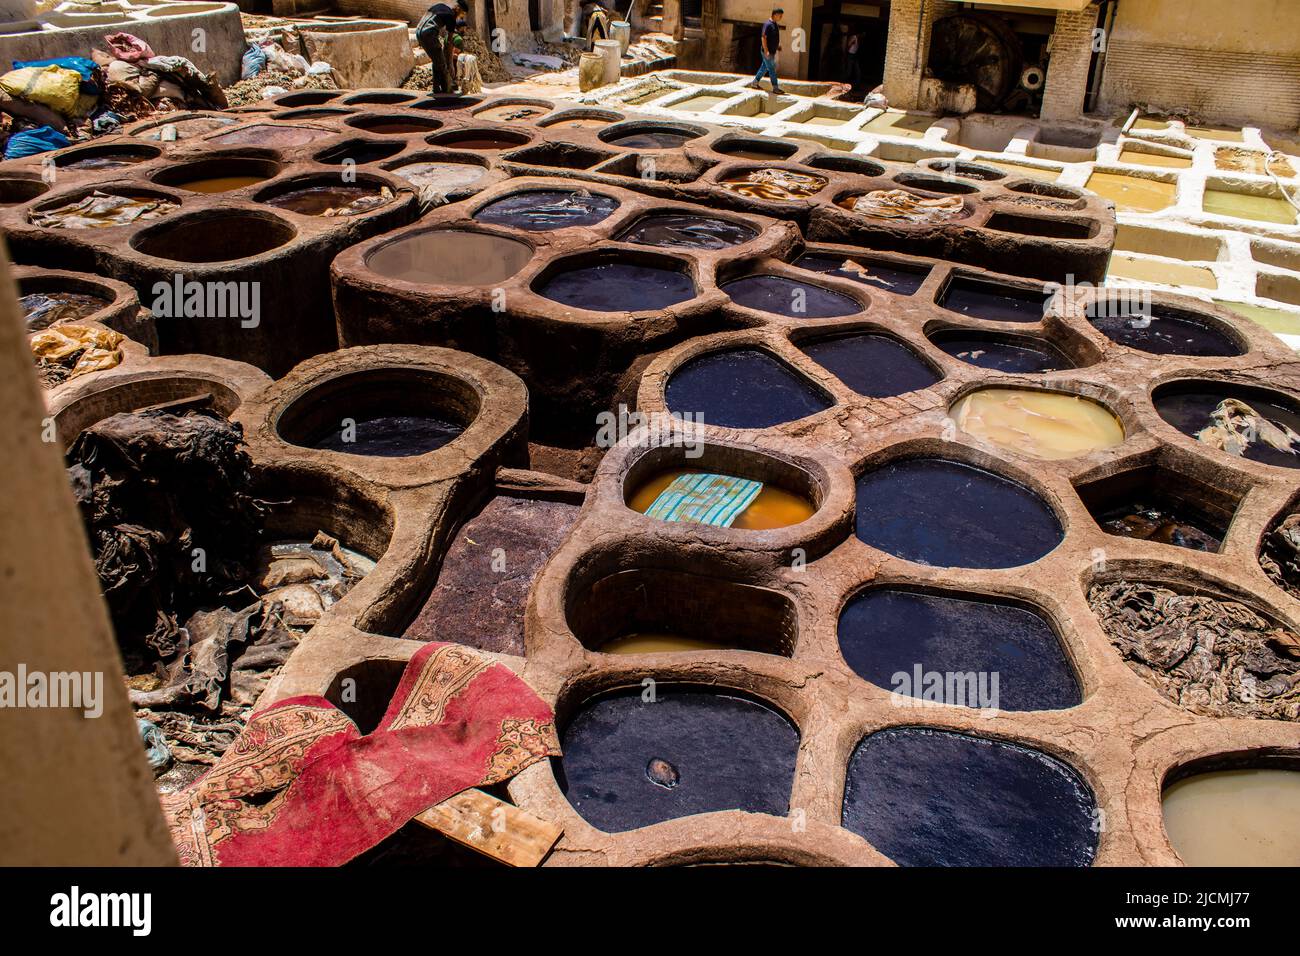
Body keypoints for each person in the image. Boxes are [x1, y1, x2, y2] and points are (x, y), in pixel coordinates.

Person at [416, 1, 467, 94]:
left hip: (418, 31)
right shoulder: (451, 18)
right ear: (460, 11)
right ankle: (446, 89)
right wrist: (450, 63)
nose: (462, 17)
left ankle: (436, 89)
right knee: (442, 64)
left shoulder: (440, 6)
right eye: (462, 14)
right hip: (429, 33)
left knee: (437, 60)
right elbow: (449, 42)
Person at [748, 8, 784, 95]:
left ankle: (754, 83)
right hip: (767, 52)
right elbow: (763, 38)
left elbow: (773, 37)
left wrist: (777, 46)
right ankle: (775, 88)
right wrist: (766, 51)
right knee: (772, 68)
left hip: (771, 51)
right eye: (780, 15)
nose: (781, 17)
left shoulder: (774, 24)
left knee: (764, 67)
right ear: (775, 15)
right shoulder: (767, 24)